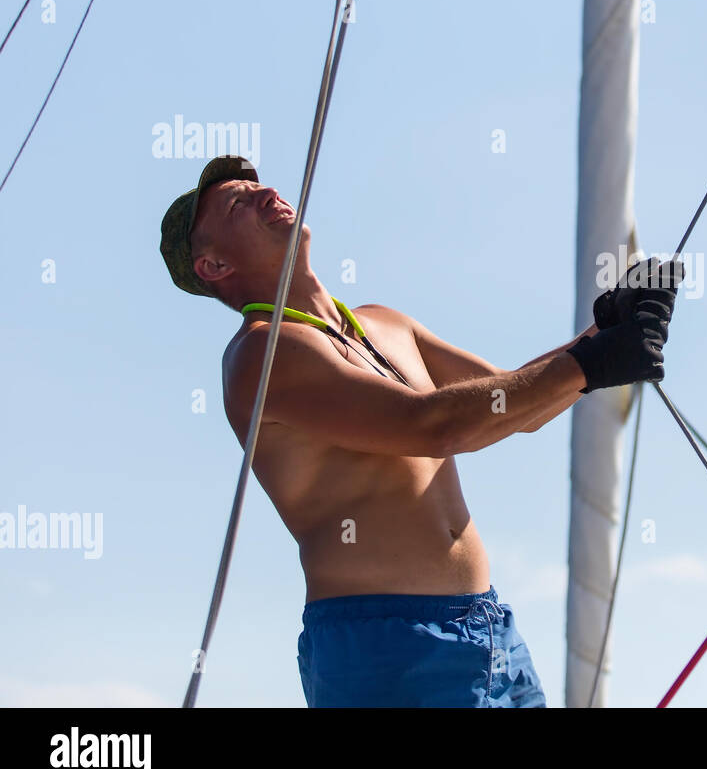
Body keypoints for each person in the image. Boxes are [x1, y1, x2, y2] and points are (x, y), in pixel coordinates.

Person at [159, 155, 679, 707]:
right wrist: (593, 362)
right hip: (387, 649)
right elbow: (432, 425)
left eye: (258, 185)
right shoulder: (262, 353)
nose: (265, 194)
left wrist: (608, 328)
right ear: (212, 266)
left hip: (488, 629)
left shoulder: (383, 320)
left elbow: (513, 402)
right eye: (238, 203)